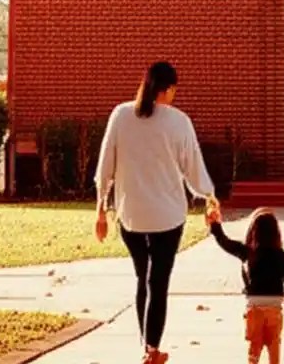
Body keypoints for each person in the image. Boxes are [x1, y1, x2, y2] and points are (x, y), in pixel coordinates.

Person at [95, 61, 217, 364]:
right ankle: (152, 349)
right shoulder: (179, 121)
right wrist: (209, 196)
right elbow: (193, 167)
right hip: (168, 216)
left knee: (143, 277)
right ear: (170, 88)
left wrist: (100, 210)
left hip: (131, 215)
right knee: (157, 282)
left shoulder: (121, 115)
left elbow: (105, 166)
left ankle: (147, 347)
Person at [206, 205, 284, 364]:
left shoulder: (247, 252)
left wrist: (215, 225)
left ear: (253, 232)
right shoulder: (282, 255)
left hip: (254, 304)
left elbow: (224, 242)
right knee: (274, 343)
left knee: (254, 346)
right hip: (275, 304)